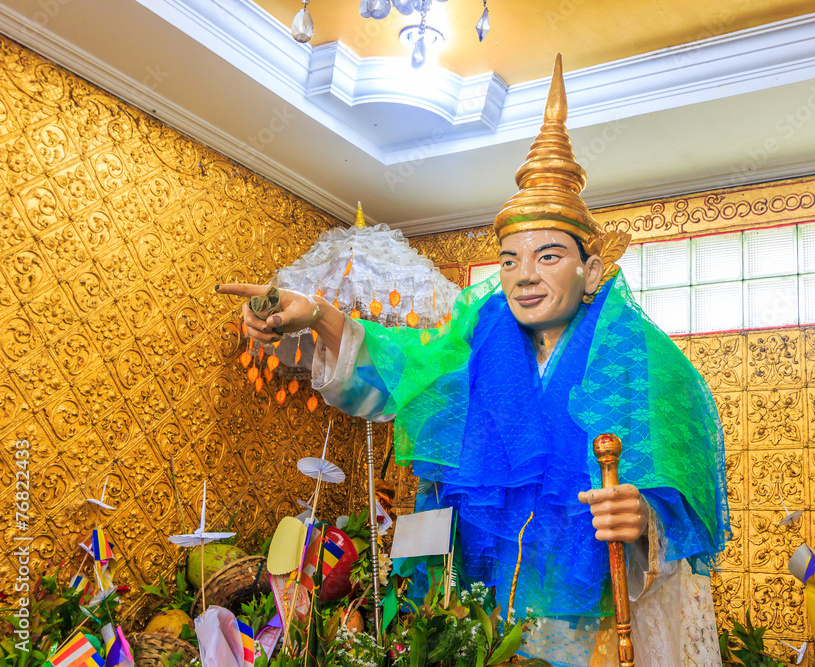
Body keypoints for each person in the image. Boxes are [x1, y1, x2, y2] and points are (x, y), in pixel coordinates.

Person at [219, 55, 729, 666]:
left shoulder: (638, 358)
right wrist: (321, 315)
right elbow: (399, 370)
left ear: (591, 269)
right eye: (510, 261)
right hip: (489, 616)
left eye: (547, 256)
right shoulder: (478, 343)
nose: (524, 277)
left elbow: (684, 485)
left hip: (594, 621)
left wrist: (645, 513)